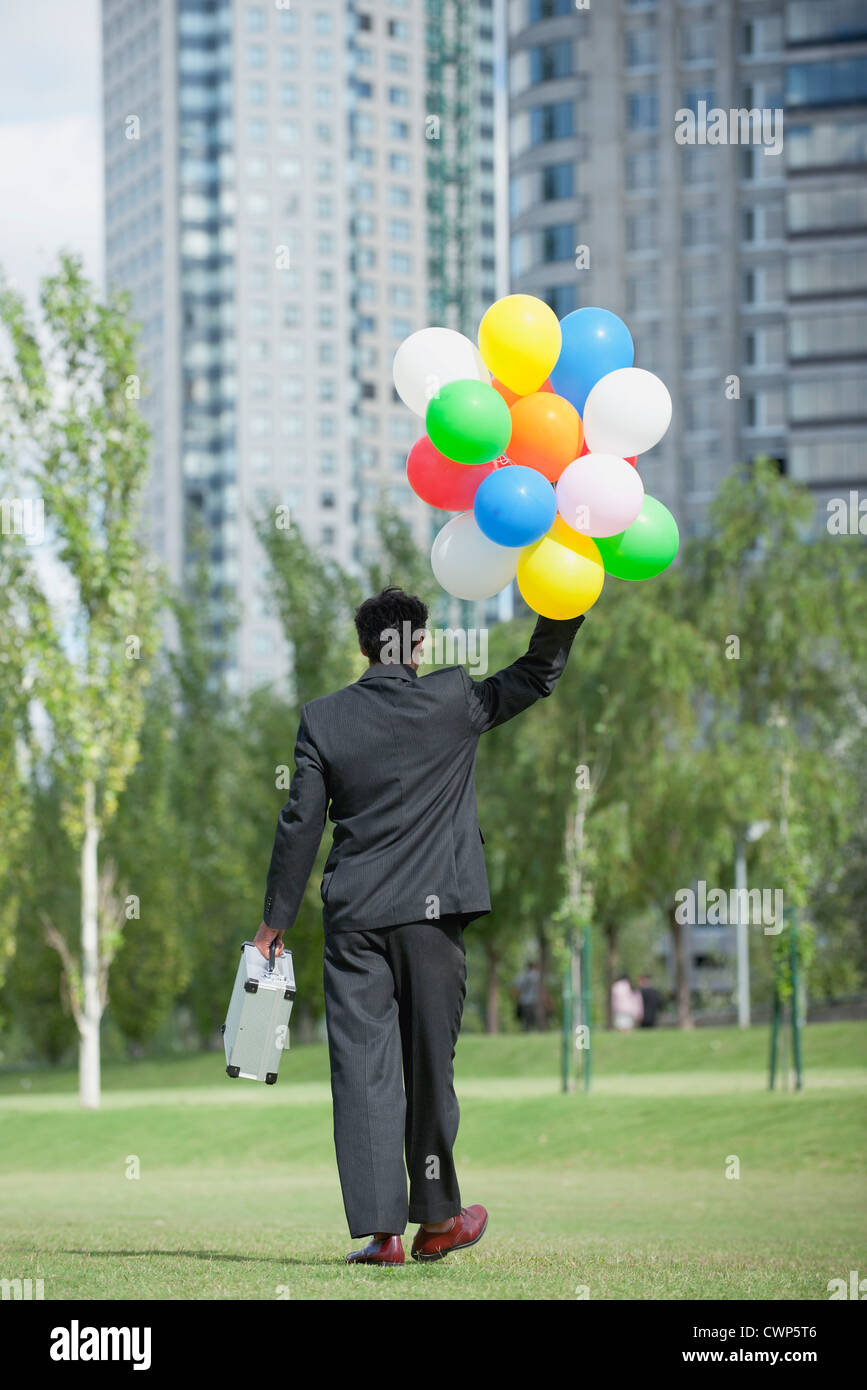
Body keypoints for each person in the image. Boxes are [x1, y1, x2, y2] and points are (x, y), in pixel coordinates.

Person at [254, 587, 585, 1265]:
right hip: (432, 921)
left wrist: (272, 924)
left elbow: (300, 824)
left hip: (355, 921)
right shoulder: (452, 700)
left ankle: (383, 1237)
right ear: (418, 644)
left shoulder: (323, 719)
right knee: (429, 1069)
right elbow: (536, 674)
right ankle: (437, 1220)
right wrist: (565, 601)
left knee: (362, 1073)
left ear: (364, 646)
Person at [514, 961, 542, 1031]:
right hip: (535, 1000)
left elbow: (516, 989)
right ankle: (536, 1031)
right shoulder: (537, 975)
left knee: (526, 1020)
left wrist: (516, 1000)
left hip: (523, 1001)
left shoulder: (521, 976)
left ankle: (527, 1031)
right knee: (534, 1019)